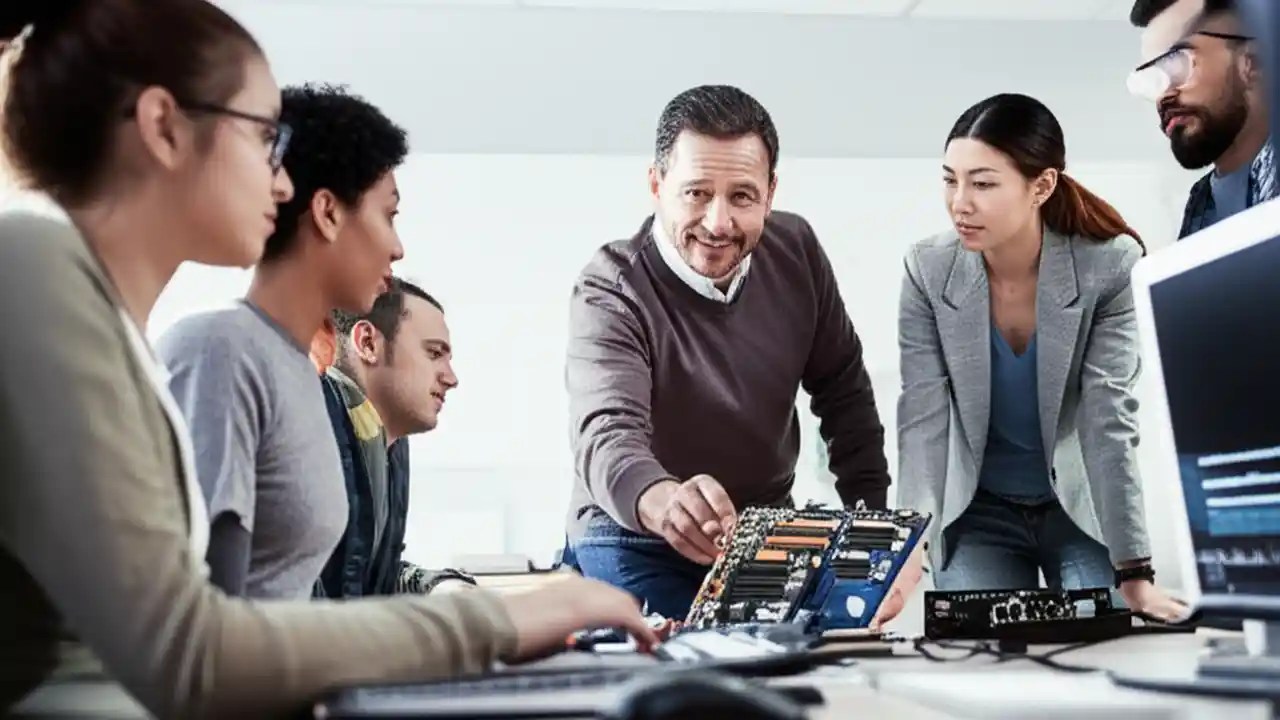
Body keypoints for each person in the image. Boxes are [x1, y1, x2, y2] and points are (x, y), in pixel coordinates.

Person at [0, 2, 656, 716]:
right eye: (262, 138)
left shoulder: (99, 318)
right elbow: (189, 653)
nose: (281, 184)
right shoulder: (34, 269)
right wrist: (501, 620)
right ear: (163, 126)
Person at [564, 84, 892, 620]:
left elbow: (845, 392)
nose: (718, 223)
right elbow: (606, 435)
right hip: (634, 537)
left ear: (770, 192)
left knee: (800, 656)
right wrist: (664, 499)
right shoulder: (611, 286)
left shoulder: (797, 252)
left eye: (742, 196)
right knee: (697, 667)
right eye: (696, 193)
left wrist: (873, 537)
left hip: (760, 533)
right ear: (656, 183)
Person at [896, 93, 1185, 620]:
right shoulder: (927, 269)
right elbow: (922, 421)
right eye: (949, 179)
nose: (960, 201)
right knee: (979, 655)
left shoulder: (1111, 266)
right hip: (978, 512)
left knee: (1103, 638)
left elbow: (1107, 420)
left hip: (1075, 509)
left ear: (1042, 186)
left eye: (982, 183)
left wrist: (1136, 572)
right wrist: (904, 556)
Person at [156, 82, 408, 600]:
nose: (398, 248)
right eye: (389, 215)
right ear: (328, 212)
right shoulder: (220, 352)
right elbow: (212, 621)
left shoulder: (300, 372)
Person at [316, 278, 476, 597]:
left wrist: (438, 586)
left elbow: (368, 578)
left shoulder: (387, 442)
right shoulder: (307, 428)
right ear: (368, 344)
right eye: (433, 353)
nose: (451, 378)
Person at [1128, 0, 1275, 237]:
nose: (1163, 96)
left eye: (1175, 64)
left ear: (1253, 64)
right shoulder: (1201, 203)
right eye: (1155, 77)